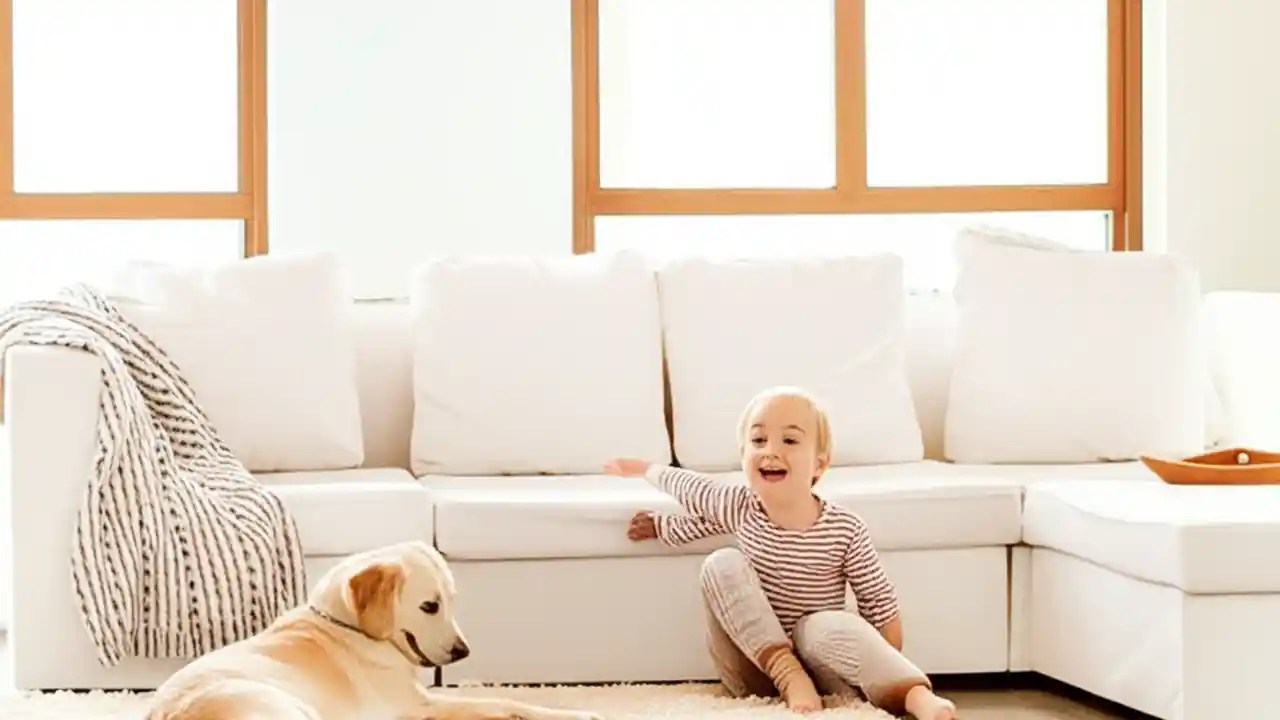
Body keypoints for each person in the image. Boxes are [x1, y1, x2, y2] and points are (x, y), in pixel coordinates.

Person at [605, 386, 957, 719]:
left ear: (819, 464)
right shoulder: (741, 507)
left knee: (827, 623)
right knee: (721, 563)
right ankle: (788, 675)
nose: (771, 450)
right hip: (754, 669)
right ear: (744, 457)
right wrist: (650, 488)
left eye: (789, 440)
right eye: (758, 440)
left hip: (820, 670)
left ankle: (917, 697)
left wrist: (880, 669)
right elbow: (699, 496)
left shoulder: (845, 528)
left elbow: (880, 605)